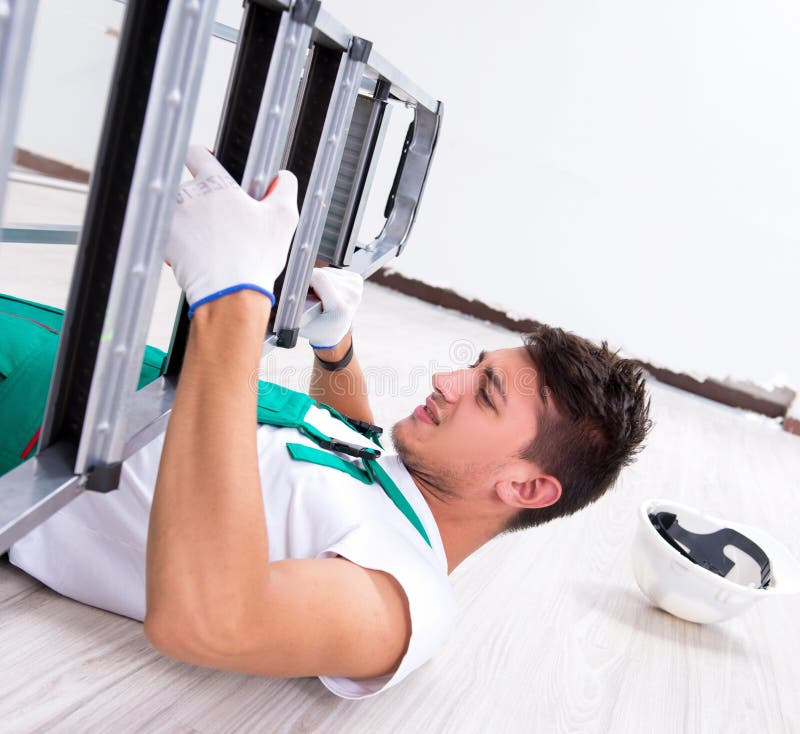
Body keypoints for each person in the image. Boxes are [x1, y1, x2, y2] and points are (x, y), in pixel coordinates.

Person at [8, 147, 652, 699]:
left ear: (525, 487)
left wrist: (232, 294)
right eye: (475, 366)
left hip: (38, 440)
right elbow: (360, 448)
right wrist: (336, 347)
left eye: (484, 394)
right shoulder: (411, 491)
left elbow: (211, 620)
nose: (444, 380)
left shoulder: (406, 603)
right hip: (100, 367)